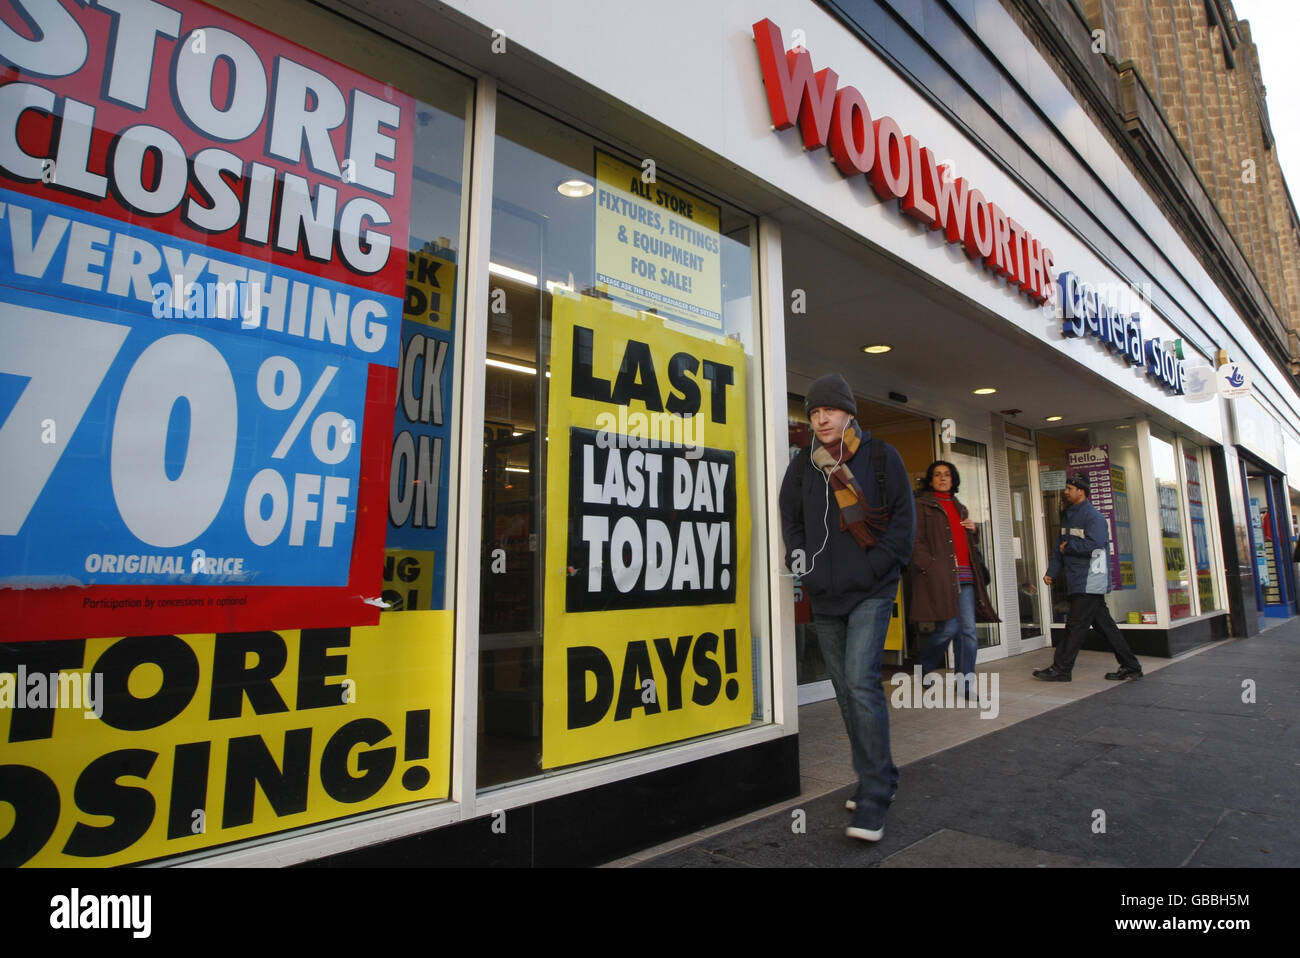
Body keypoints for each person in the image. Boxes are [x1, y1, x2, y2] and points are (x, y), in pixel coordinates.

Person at [779, 373, 916, 842]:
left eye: (829, 410)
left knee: (860, 682)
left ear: (848, 413)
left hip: (873, 590)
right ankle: (880, 775)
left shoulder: (881, 457)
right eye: (814, 412)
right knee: (845, 690)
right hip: (825, 594)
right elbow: (791, 518)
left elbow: (903, 522)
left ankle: (875, 795)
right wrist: (805, 567)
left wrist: (876, 565)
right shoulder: (804, 467)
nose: (821, 418)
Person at [1033, 473, 1142, 681]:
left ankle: (1061, 669)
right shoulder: (1068, 515)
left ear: (1080, 491)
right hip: (1078, 580)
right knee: (1105, 627)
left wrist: (1070, 547)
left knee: (1074, 625)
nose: (1065, 492)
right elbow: (1059, 548)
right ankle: (1131, 665)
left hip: (1090, 580)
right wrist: (1051, 572)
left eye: (1069, 489)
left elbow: (1095, 544)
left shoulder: (1094, 517)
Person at [908, 461, 998, 699]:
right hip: (940, 576)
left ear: (953, 479)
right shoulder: (921, 505)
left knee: (967, 632)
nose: (942, 478)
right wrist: (929, 566)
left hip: (966, 575)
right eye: (937, 474)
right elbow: (915, 541)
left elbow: (966, 543)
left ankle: (966, 685)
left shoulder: (960, 507)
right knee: (948, 628)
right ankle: (925, 665)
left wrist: (973, 531)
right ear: (931, 479)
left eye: (947, 474)